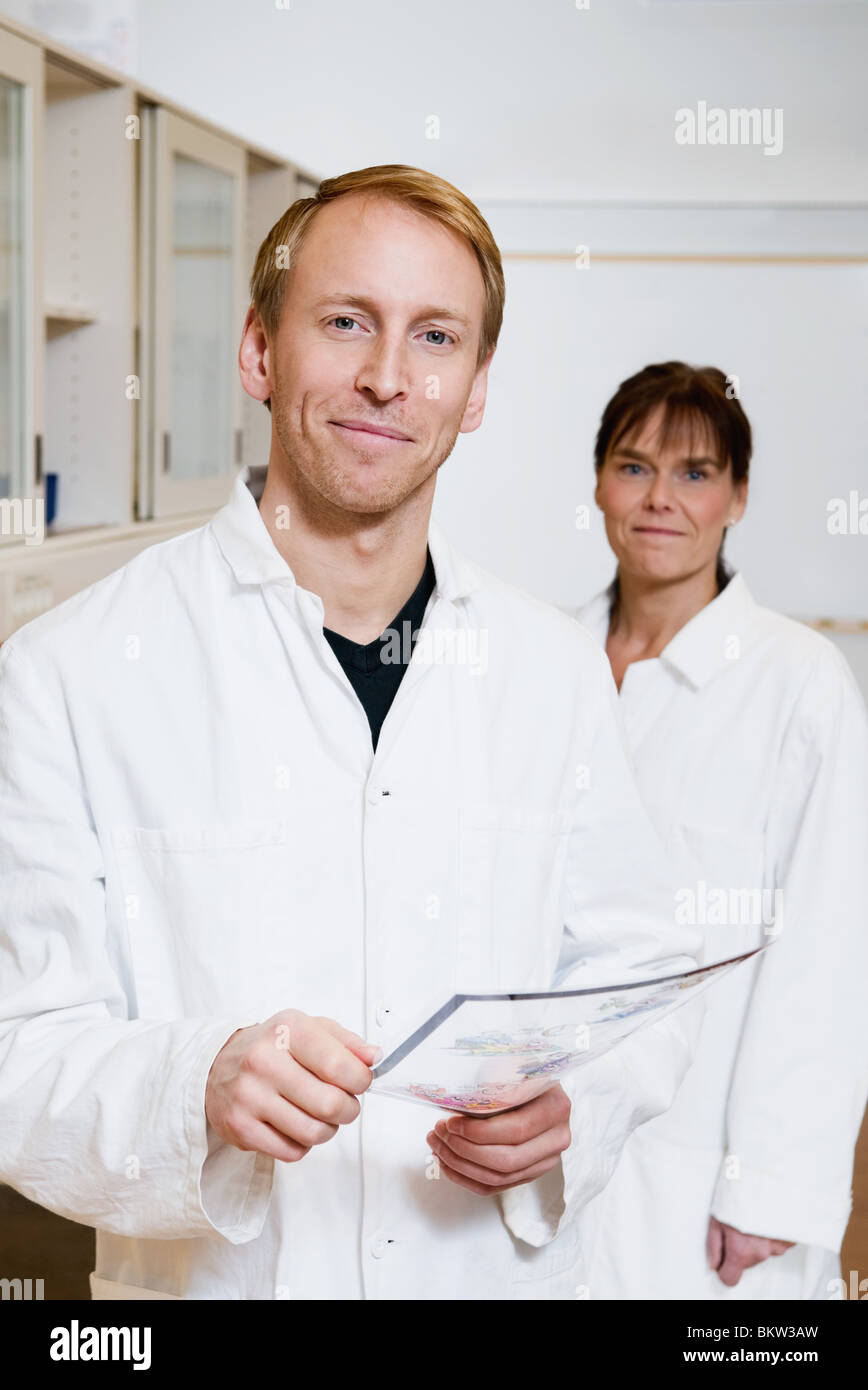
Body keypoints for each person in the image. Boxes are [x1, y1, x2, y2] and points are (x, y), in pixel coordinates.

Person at [0, 168, 701, 1302]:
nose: (387, 376)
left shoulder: (553, 670)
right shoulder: (68, 674)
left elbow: (638, 978)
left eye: (434, 336)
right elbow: (17, 1050)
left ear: (473, 388)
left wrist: (576, 1109)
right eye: (344, 322)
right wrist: (198, 1085)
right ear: (258, 350)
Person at [572, 360, 868, 1299]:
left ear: (738, 496)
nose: (661, 499)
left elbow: (829, 953)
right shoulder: (544, 663)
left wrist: (770, 1188)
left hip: (708, 1179)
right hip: (547, 1157)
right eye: (633, 467)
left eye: (696, 473)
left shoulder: (798, 683)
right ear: (597, 485)